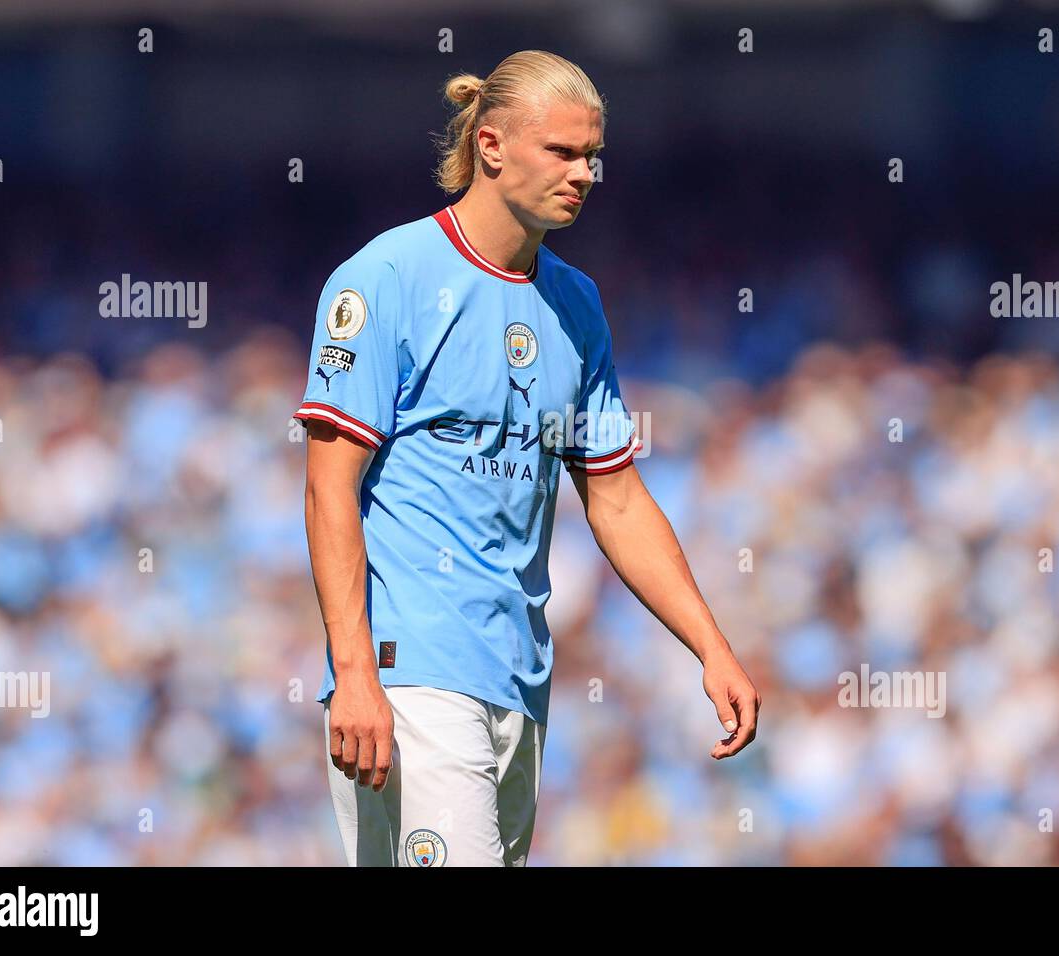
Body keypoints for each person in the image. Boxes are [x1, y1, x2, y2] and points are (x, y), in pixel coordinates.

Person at [296, 49, 760, 867]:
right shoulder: (386, 279)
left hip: (517, 676)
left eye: (593, 156)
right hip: (412, 671)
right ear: (493, 146)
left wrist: (711, 646)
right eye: (564, 152)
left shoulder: (576, 305)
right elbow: (329, 491)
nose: (585, 174)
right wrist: (355, 670)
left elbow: (615, 500)